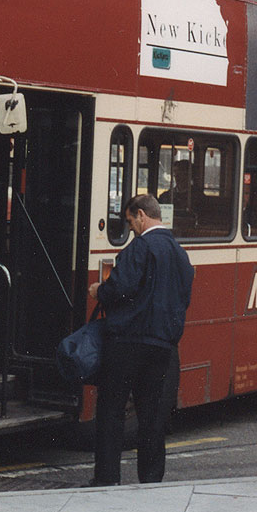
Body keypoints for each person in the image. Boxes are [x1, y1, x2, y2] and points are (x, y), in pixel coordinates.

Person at [87, 193, 194, 487]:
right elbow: (184, 296)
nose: (130, 227)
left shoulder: (140, 248)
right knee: (153, 416)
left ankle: (107, 478)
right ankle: (150, 479)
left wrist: (99, 291)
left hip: (128, 342)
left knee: (112, 410)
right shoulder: (179, 253)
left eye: (130, 221)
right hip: (163, 346)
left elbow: (120, 288)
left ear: (142, 215)